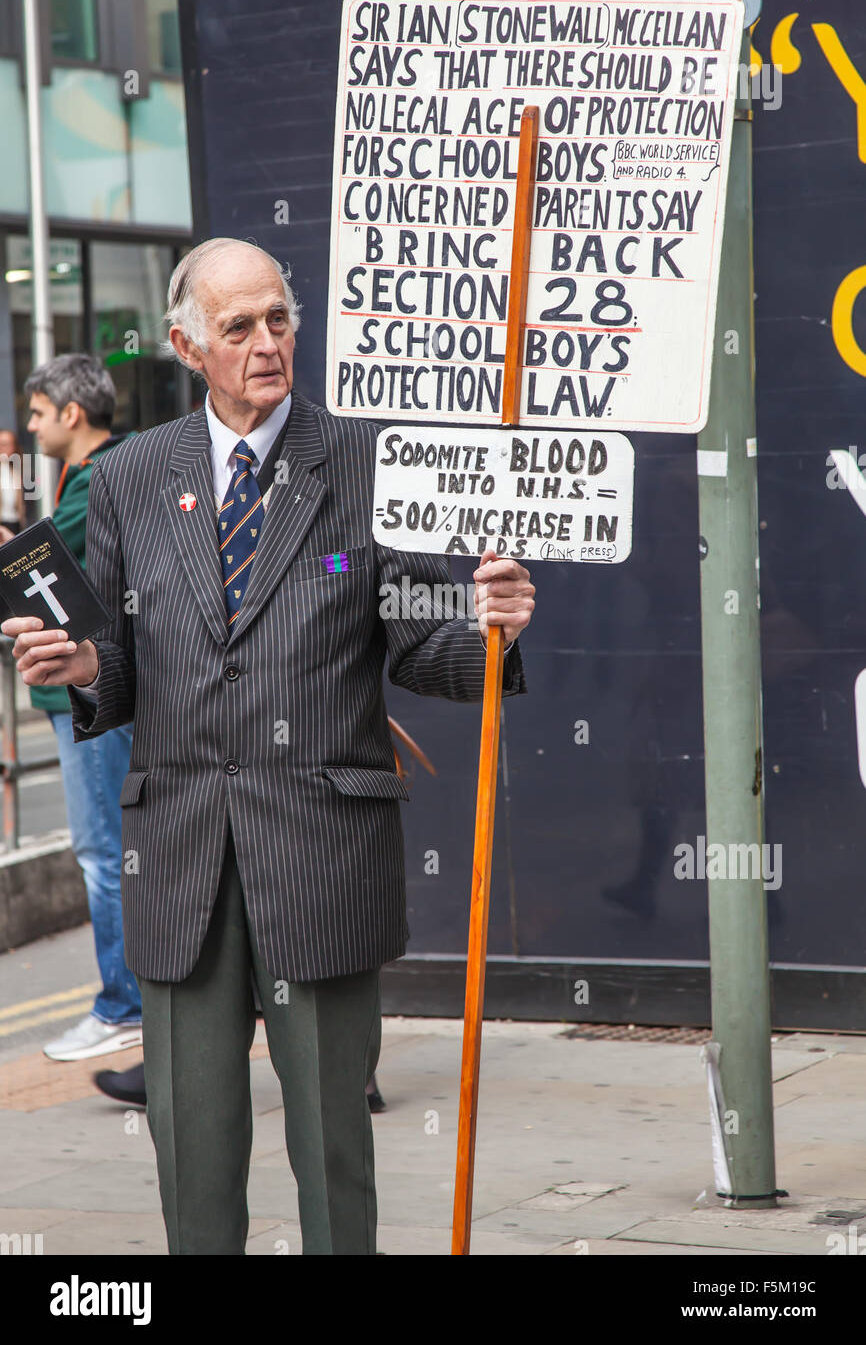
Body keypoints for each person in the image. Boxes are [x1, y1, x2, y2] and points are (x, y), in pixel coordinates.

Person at [1, 238, 534, 1255]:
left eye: (279, 319)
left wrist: (499, 634)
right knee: (191, 1150)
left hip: (322, 858)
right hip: (182, 862)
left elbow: (426, 646)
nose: (265, 343)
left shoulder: (368, 463)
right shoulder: (129, 478)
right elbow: (115, 660)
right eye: (238, 326)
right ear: (185, 345)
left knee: (336, 1151)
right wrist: (79, 672)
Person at [17, 356, 142, 1059]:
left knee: (104, 851)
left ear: (72, 414)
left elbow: (36, 564)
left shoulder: (98, 480)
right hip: (87, 691)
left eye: (37, 413)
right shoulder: (96, 476)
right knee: (107, 849)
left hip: (91, 692)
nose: (30, 426)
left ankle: (124, 1004)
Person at [0, 429, 26, 536]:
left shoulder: (16, 470)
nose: (4, 448)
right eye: (2, 444)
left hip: (15, 523)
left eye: (7, 444)